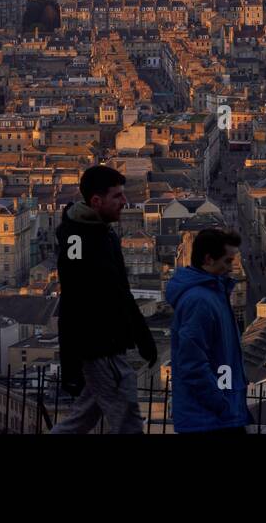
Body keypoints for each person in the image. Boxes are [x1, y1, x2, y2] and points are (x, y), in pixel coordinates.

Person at [52, 165, 157, 434]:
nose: (125, 202)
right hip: (98, 345)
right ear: (96, 201)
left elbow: (121, 292)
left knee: (82, 420)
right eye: (117, 197)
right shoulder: (76, 237)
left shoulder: (103, 233)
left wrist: (142, 336)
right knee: (126, 416)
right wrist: (71, 360)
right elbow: (73, 299)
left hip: (110, 342)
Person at [165, 227, 252, 435]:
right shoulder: (200, 300)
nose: (231, 268)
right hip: (209, 418)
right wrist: (220, 403)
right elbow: (192, 362)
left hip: (219, 414)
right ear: (208, 259)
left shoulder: (213, 293)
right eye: (227, 261)